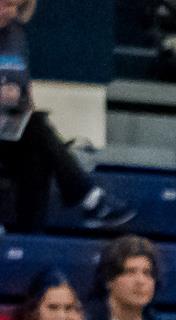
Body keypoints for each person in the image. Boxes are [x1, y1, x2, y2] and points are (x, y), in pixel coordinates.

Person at [0, 0, 134, 231]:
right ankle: (89, 197)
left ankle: (29, 239)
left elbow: (25, 91)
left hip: (8, 130)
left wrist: (19, 100)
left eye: (16, 7)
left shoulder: (16, 35)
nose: (9, 12)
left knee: (36, 145)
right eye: (5, 4)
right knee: (37, 129)